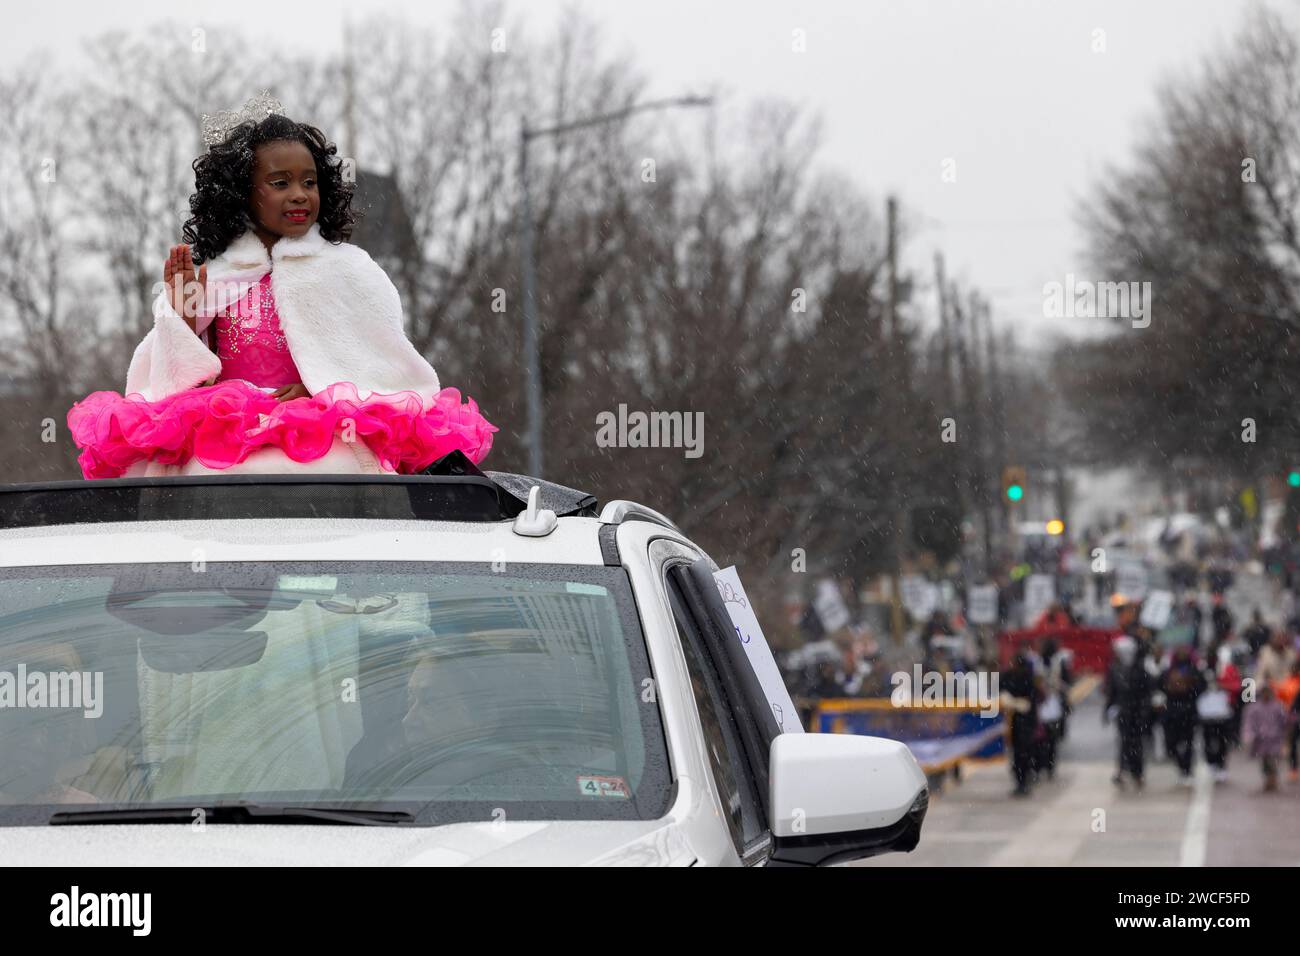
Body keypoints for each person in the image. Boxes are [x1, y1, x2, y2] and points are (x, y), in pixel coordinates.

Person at [67, 96, 496, 479]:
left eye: (309, 182)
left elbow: (383, 366)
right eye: (280, 183)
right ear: (241, 193)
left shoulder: (350, 271)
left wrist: (322, 389)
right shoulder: (216, 274)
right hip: (225, 444)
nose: (299, 195)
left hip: (328, 441)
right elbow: (170, 386)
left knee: (337, 480)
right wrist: (182, 317)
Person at [1104, 636, 1153, 790]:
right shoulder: (1114, 668)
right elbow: (1111, 693)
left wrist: (1145, 709)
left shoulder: (1140, 669)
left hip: (1137, 712)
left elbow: (1147, 692)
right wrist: (1107, 710)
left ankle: (1137, 773)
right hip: (1123, 712)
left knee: (1136, 743)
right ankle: (1122, 771)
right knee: (1124, 741)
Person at [1160, 645, 1206, 785]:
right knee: (1172, 743)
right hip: (1172, 713)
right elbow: (1160, 685)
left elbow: (1201, 687)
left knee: (1188, 742)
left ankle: (1186, 769)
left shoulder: (1194, 671)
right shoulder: (1168, 671)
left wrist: (1188, 689)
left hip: (1188, 712)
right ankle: (1181, 765)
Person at [1001, 650, 1041, 797]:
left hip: (1019, 722)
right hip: (1018, 723)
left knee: (1021, 755)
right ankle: (1022, 782)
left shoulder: (1018, 678)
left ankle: (1022, 782)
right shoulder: (1023, 678)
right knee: (1021, 755)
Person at [1242, 685, 1288, 792]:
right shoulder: (1254, 708)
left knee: (1273, 760)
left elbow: (1284, 721)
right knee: (1265, 760)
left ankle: (1272, 779)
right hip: (1261, 740)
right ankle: (1268, 779)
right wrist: (1249, 734)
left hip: (1274, 739)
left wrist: (1284, 733)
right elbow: (1249, 723)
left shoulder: (1277, 706)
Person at [1196, 674, 1233, 782]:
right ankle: (1211, 763)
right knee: (1208, 744)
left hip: (1221, 722)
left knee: (1222, 744)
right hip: (1208, 723)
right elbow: (1201, 709)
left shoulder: (1223, 695)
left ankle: (1221, 766)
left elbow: (1228, 708)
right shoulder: (1204, 696)